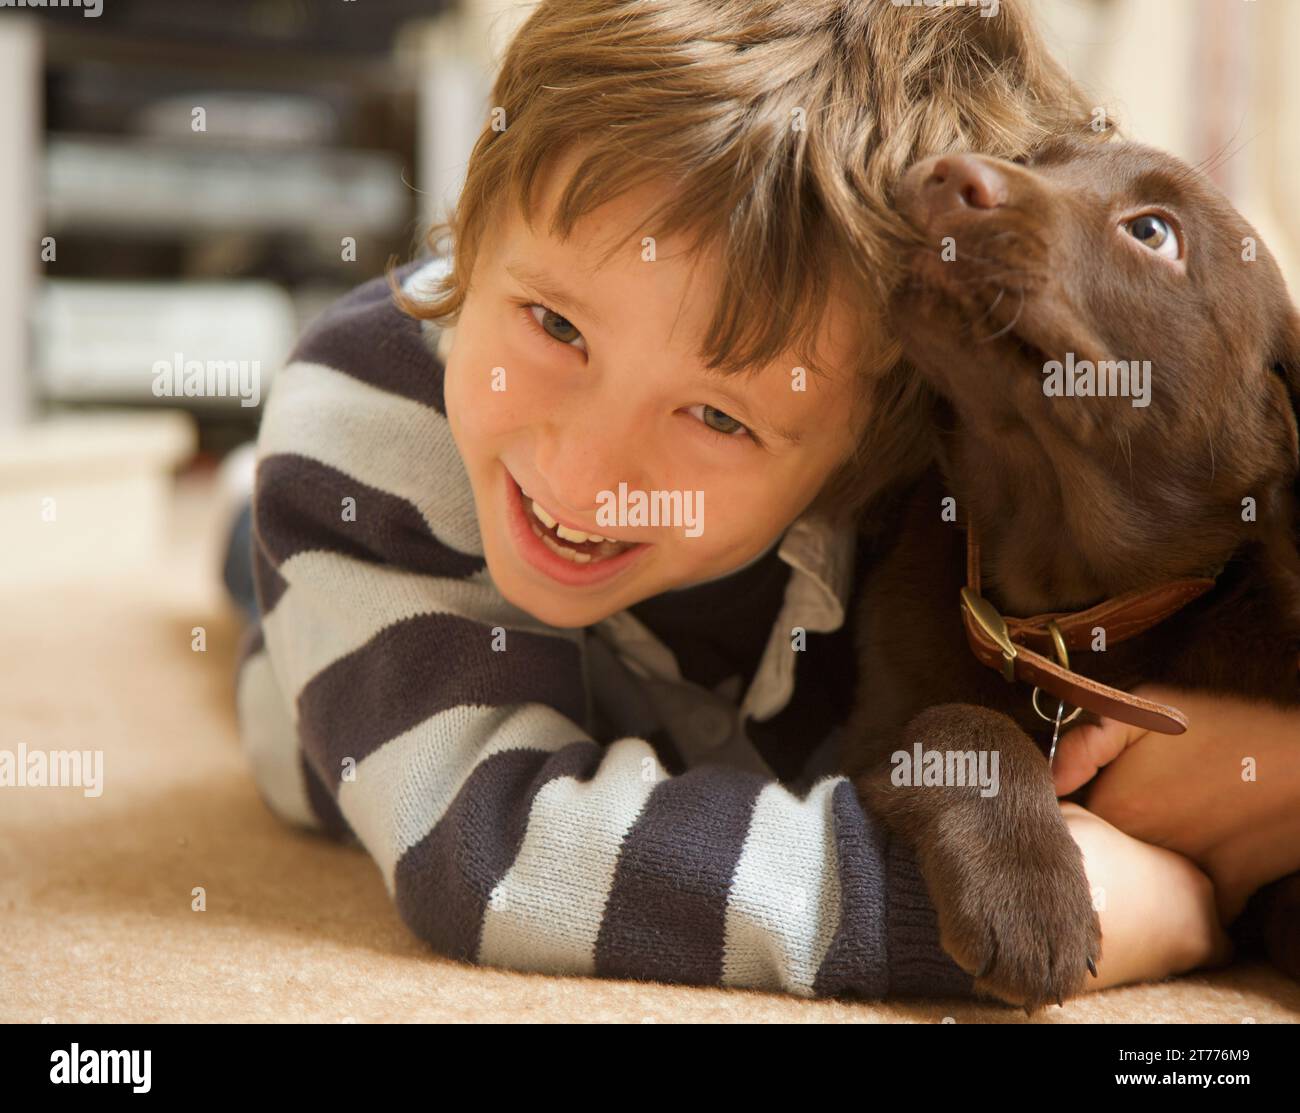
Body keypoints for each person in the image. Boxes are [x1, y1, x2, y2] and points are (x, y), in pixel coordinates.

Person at [226, 0, 1295, 1003]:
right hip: (379, 605)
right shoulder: (364, 426)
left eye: (720, 419)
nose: (585, 472)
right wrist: (1070, 905)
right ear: (470, 213)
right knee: (255, 560)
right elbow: (492, 854)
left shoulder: (921, 454)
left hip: (693, 666)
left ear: (888, 421)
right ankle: (243, 530)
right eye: (554, 327)